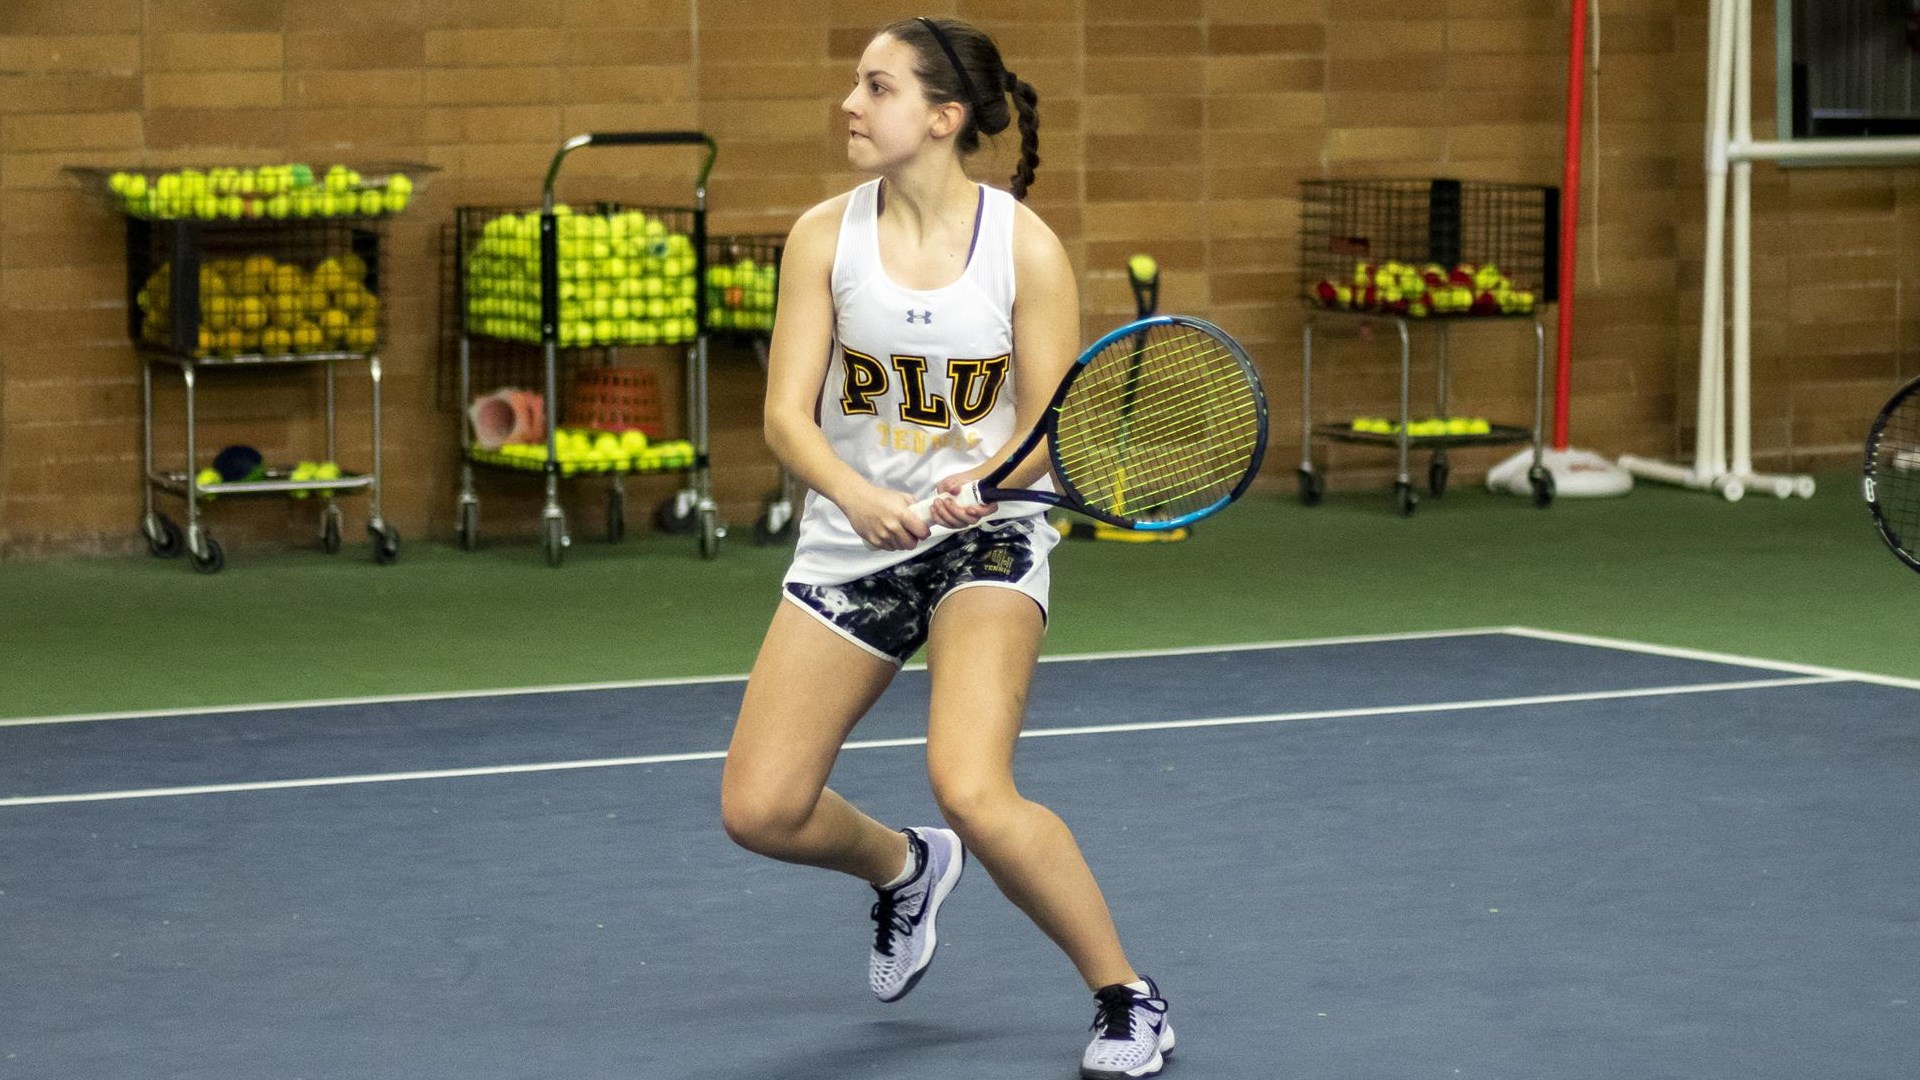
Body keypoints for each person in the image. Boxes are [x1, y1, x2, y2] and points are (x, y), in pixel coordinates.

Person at [718, 15, 1175, 1080]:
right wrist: (859, 494)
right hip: (855, 541)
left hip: (988, 543)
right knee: (760, 808)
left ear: (943, 116)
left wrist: (988, 482)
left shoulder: (1022, 247)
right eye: (855, 86)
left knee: (970, 780)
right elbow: (787, 418)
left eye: (875, 88)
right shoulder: (825, 236)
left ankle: (1128, 995)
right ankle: (906, 867)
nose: (850, 104)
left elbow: (1046, 421)